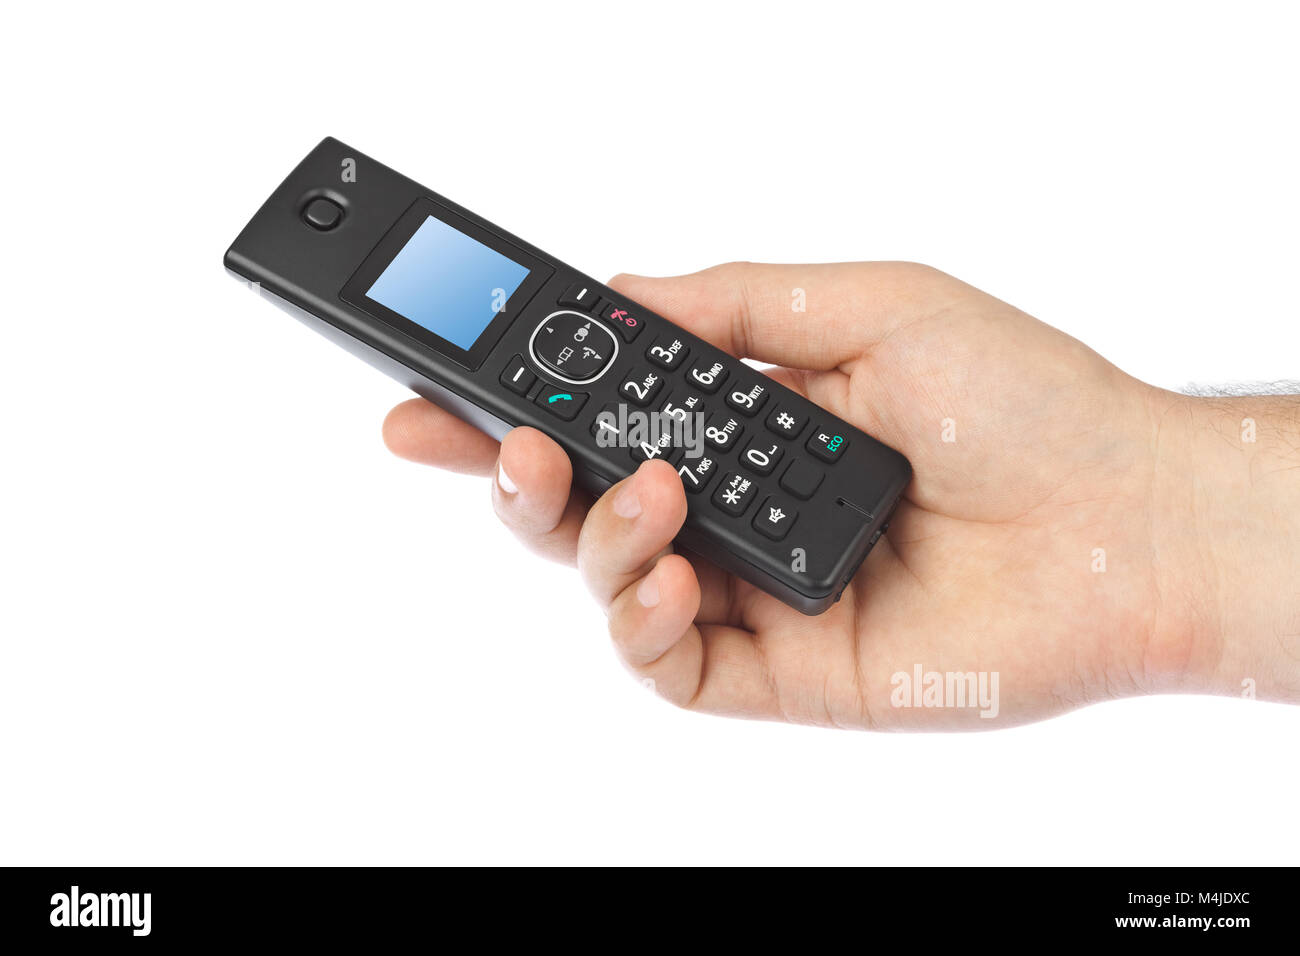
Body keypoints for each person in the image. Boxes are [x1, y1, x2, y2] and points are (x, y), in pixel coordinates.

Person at [382, 262, 1300, 729]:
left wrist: (1159, 499)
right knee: (625, 458)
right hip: (807, 536)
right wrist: (1172, 526)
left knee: (654, 436)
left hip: (853, 489)